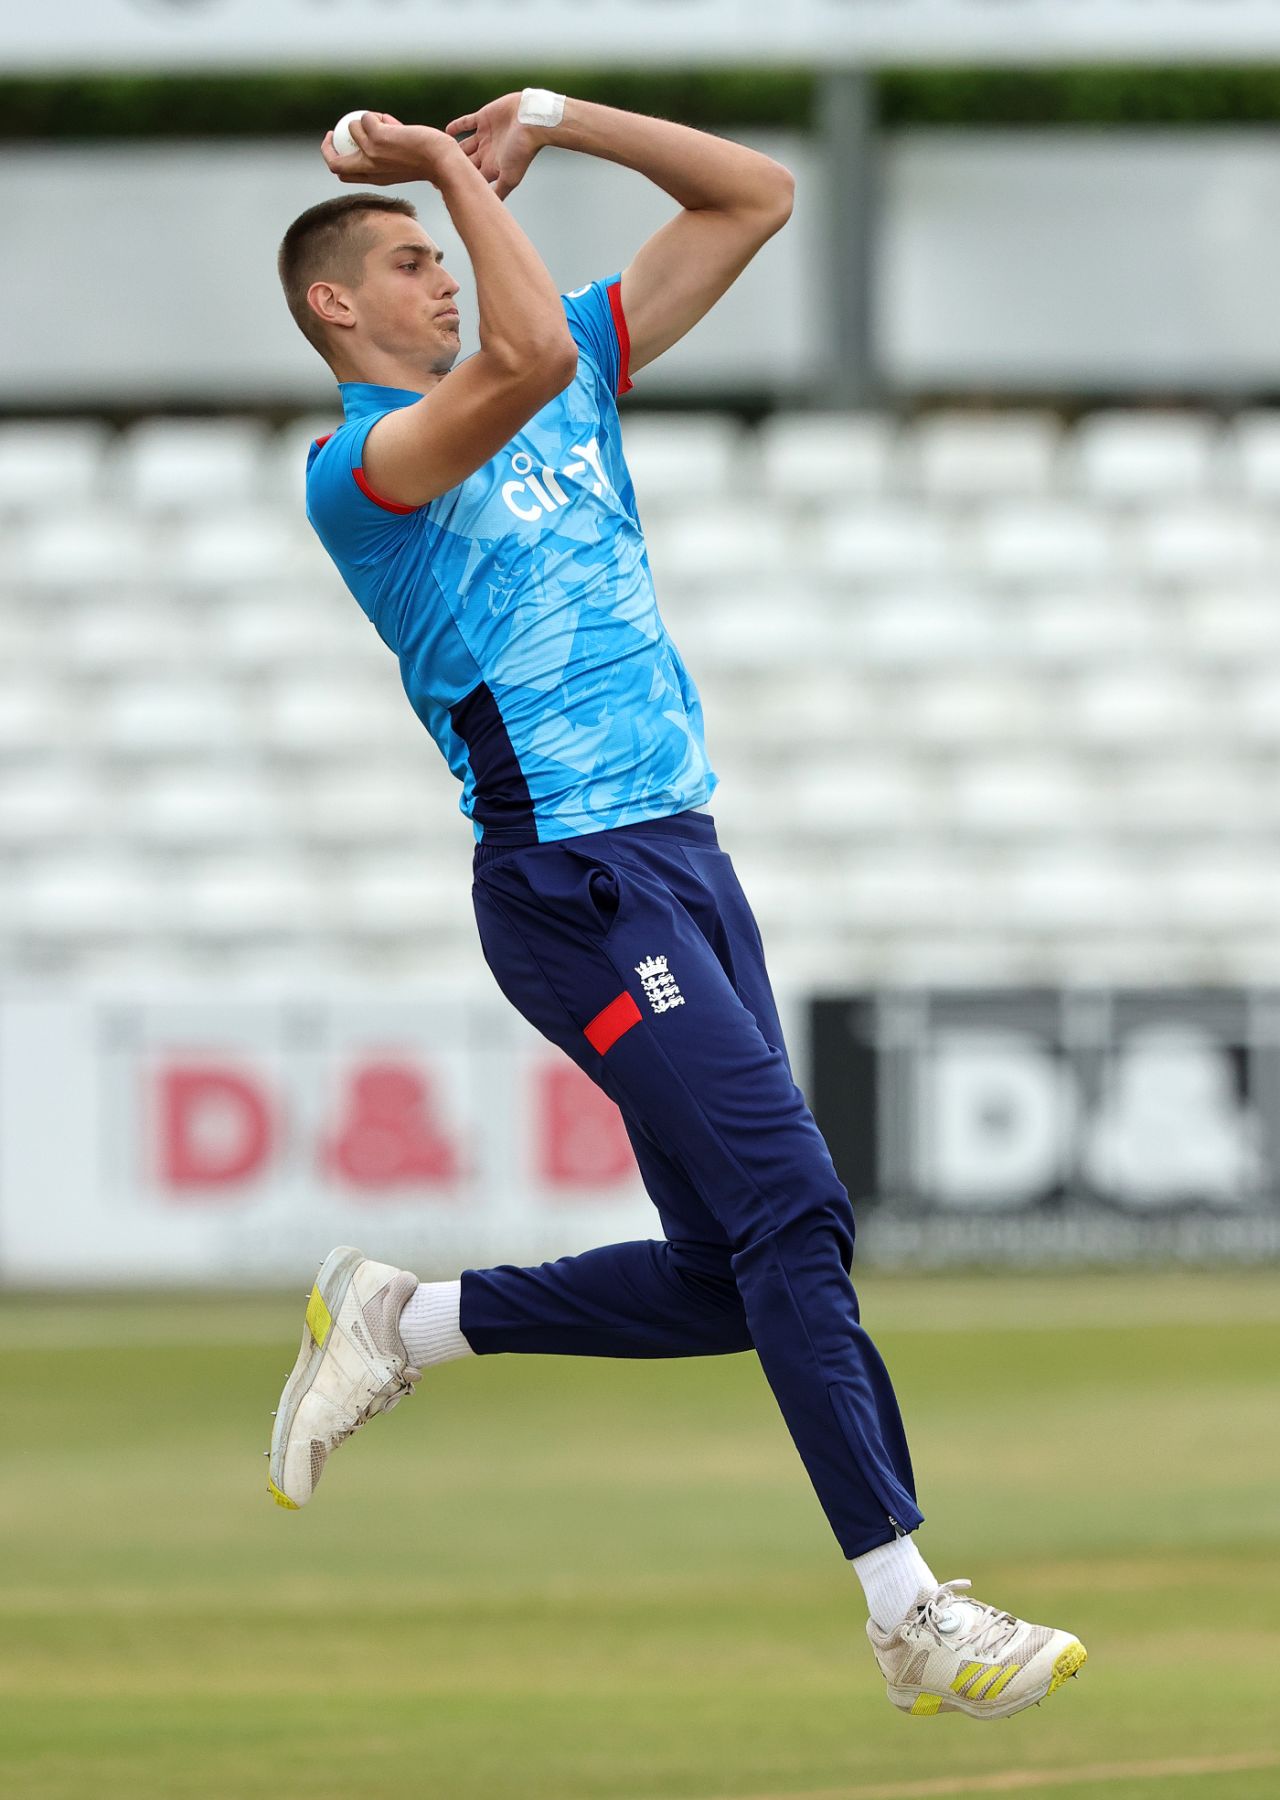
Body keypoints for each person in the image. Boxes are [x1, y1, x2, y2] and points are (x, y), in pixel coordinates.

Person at [267, 91, 1086, 1720]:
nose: (444, 279)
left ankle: (405, 1321)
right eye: (409, 261)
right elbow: (525, 366)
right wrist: (441, 158)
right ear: (332, 307)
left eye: (449, 256)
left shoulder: (554, 364)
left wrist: (556, 121)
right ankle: (908, 1608)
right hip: (571, 882)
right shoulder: (365, 468)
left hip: (682, 860)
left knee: (733, 1269)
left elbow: (758, 195)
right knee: (797, 1210)